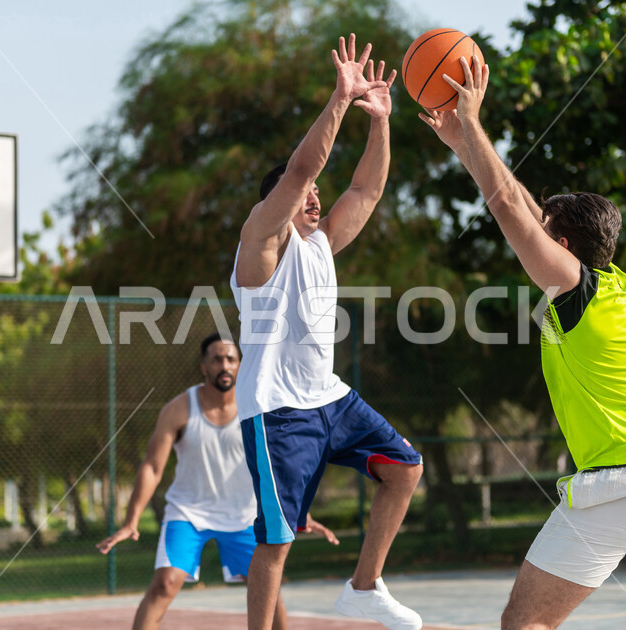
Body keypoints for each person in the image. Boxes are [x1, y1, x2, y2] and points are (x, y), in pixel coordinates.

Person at [419, 57, 626, 630]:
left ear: (561, 243)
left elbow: (508, 208)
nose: (535, 227)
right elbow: (526, 206)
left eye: (546, 228)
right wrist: (462, 140)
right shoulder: (613, 283)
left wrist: (474, 119)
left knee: (525, 622)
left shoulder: (571, 285)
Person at [230, 34, 424, 630]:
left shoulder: (319, 247)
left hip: (329, 399)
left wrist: (380, 123)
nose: (316, 196)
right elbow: (302, 167)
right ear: (277, 204)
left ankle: (364, 587)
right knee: (278, 543)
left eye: (316, 194)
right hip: (277, 411)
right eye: (306, 194)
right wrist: (340, 99)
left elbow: (365, 190)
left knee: (405, 467)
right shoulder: (260, 245)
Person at [95, 333, 339, 630]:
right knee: (164, 583)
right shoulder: (179, 409)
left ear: (240, 365)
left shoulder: (259, 406)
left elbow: (282, 466)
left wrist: (301, 513)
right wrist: (132, 520)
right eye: (217, 359)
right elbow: (152, 467)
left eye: (231, 359)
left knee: (268, 593)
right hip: (188, 512)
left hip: (245, 516)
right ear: (203, 366)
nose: (224, 365)